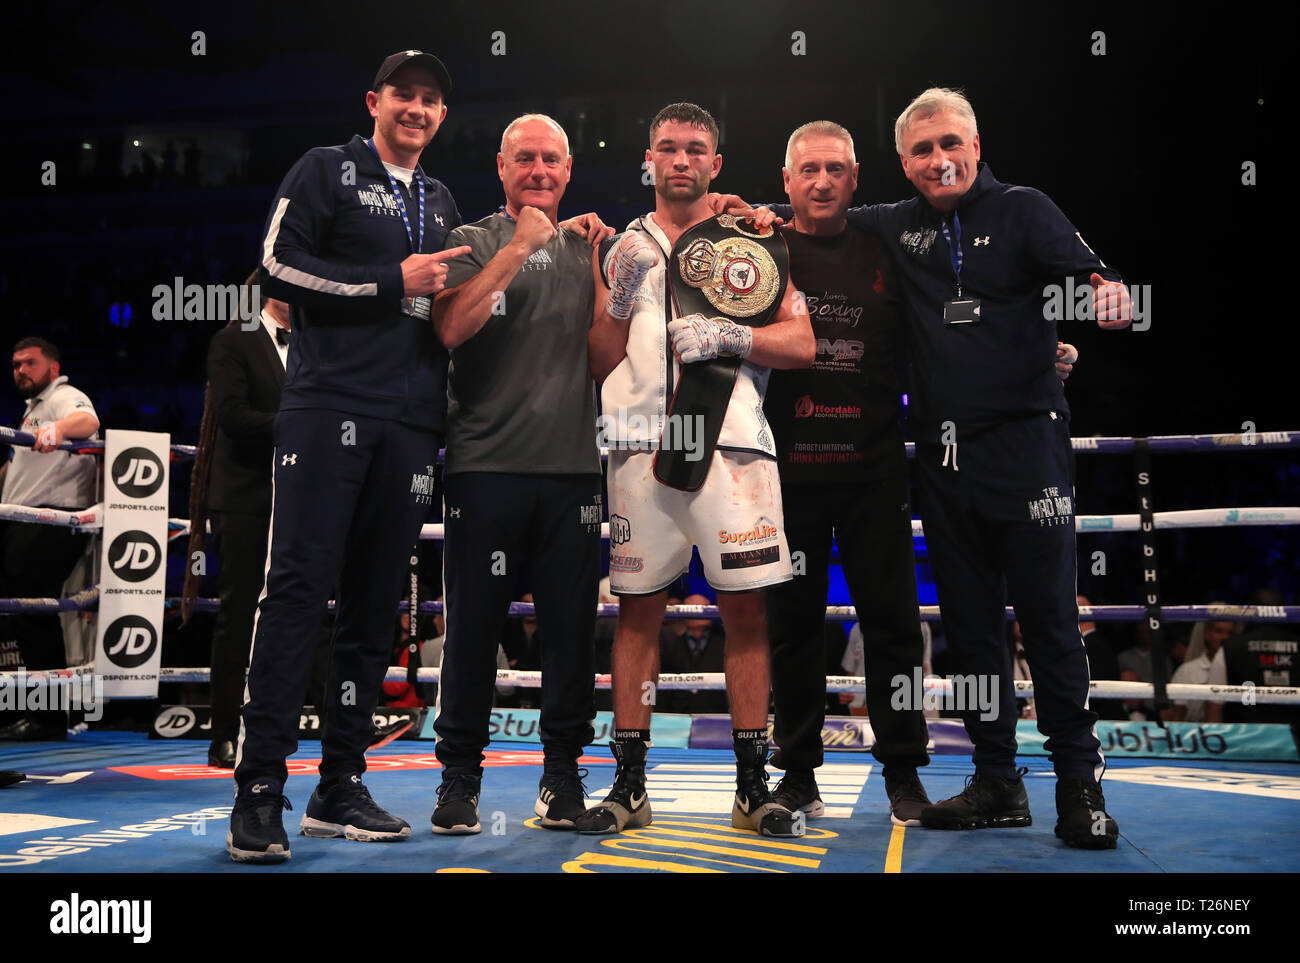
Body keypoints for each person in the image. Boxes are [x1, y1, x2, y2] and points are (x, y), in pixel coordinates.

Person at [749, 88, 1130, 848]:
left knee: (1051, 623)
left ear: (976, 145)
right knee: (971, 631)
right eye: (922, 151)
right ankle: (997, 777)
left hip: (1025, 449)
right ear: (901, 165)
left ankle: (1080, 786)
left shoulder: (1024, 208)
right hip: (944, 460)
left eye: (950, 143)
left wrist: (1105, 295)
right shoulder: (897, 225)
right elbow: (811, 214)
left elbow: (1087, 277)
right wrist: (747, 210)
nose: (939, 159)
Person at [228, 50, 471, 863]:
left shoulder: (440, 200)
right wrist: (385, 281)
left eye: (432, 99)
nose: (418, 107)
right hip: (327, 405)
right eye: (405, 93)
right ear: (375, 100)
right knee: (297, 591)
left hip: (410, 422)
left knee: (374, 608)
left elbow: (447, 309)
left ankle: (339, 784)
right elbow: (276, 265)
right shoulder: (326, 169)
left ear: (442, 116)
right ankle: (259, 789)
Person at [576, 102, 815, 839]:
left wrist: (733, 332)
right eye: (668, 149)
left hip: (734, 449)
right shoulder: (614, 248)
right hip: (638, 450)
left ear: (716, 163)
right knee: (636, 611)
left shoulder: (757, 237)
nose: (681, 161)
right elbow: (593, 359)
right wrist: (618, 295)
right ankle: (628, 785)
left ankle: (753, 786)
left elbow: (803, 343)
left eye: (696, 150)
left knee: (745, 612)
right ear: (649, 160)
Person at [429, 114, 608, 835]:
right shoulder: (470, 241)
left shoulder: (584, 245)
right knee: (473, 631)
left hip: (571, 472)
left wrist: (595, 263)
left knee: (571, 633)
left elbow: (602, 359)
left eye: (552, 160)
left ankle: (562, 776)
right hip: (484, 467)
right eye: (525, 158)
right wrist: (520, 247)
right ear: (502, 167)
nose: (539, 170)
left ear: (568, 170)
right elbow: (449, 327)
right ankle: (459, 780)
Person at [759, 121, 932, 825]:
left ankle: (903, 772)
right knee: (793, 626)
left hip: (873, 470)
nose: (823, 181)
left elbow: (948, 332)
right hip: (788, 471)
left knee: (892, 624)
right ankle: (796, 772)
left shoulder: (888, 247)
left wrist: (1037, 350)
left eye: (835, 169)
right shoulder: (762, 248)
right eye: (809, 170)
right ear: (788, 179)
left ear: (855, 179)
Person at [182, 279, 290, 767]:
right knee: (239, 615)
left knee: (305, 609)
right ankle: (223, 730)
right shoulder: (233, 338)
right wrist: (304, 422)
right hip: (246, 497)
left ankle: (312, 719)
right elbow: (233, 417)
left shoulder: (317, 341)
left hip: (302, 497)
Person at [0, 338, 98, 741]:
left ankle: (50, 717)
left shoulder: (64, 396)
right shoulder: (31, 413)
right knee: (24, 614)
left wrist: (57, 429)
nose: (21, 370)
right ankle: (42, 713)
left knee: (34, 612)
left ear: (52, 368)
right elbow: (15, 474)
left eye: (30, 363)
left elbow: (88, 423)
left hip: (50, 522)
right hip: (22, 520)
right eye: (16, 364)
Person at [658, 593, 729, 715]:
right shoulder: (671, 645)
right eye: (695, 608)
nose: (700, 613)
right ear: (684, 613)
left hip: (717, 714)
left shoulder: (724, 644)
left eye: (704, 609)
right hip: (677, 716)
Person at [1164, 611, 1237, 723]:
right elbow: (1177, 714)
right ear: (1207, 633)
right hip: (1195, 735)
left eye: (1230, 633)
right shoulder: (1187, 671)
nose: (1225, 637)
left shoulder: (1242, 668)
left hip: (1237, 733)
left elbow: (1249, 704)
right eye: (1219, 631)